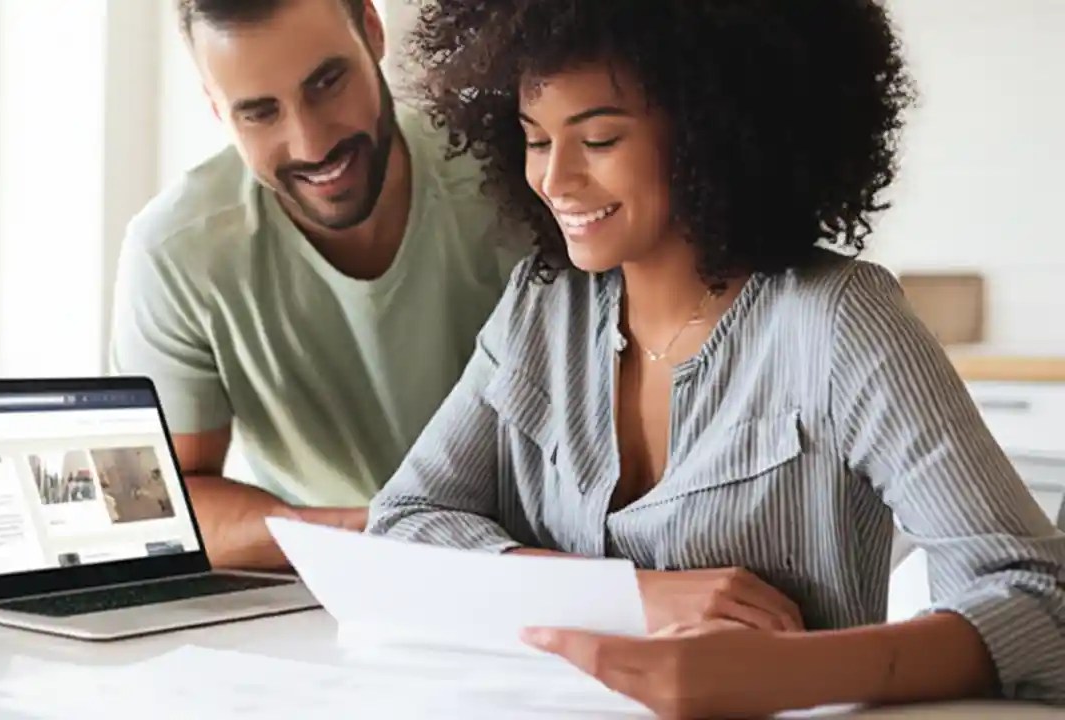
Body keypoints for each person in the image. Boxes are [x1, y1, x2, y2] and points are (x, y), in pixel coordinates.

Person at [366, 0, 1065, 716]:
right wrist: (633, 597)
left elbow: (1040, 601)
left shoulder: (836, 322)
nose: (555, 180)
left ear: (712, 132)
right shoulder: (540, 306)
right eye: (536, 140)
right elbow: (405, 522)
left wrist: (793, 671)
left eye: (599, 139)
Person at [109, 0, 521, 569]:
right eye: (259, 113)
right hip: (328, 591)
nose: (310, 144)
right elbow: (161, 504)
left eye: (328, 82)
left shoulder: (513, 178)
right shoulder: (175, 253)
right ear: (217, 112)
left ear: (372, 32)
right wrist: (380, 538)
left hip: (541, 571)